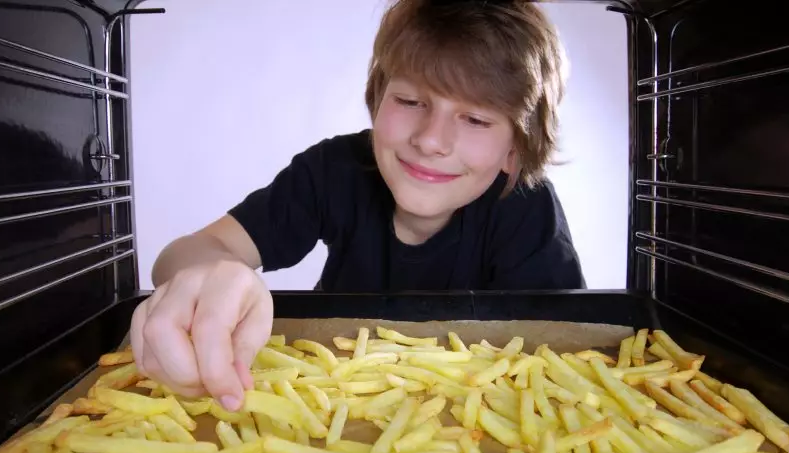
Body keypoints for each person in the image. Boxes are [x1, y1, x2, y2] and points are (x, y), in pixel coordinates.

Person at [130, 0, 586, 410]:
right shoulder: (334, 168)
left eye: (476, 119)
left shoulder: (527, 206)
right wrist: (212, 273)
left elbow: (562, 346)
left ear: (514, 152)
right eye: (410, 101)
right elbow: (190, 250)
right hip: (330, 402)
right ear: (378, 99)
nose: (430, 140)